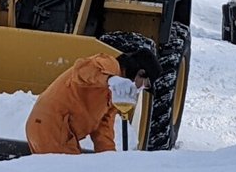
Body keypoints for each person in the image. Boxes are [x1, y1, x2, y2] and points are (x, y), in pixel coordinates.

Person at [25, 48, 160, 155]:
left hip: (53, 130)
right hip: (53, 126)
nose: (140, 89)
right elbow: (82, 70)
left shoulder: (114, 96)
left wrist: (110, 160)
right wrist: (110, 79)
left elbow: (103, 131)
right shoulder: (110, 65)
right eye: (145, 85)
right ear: (140, 72)